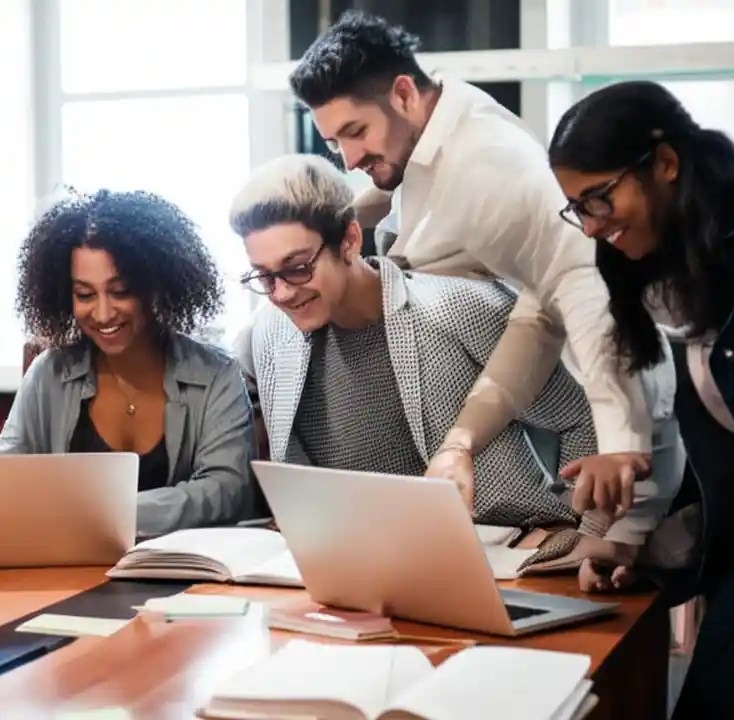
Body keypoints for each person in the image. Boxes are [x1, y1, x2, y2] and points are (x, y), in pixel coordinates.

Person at [288, 11, 682, 579]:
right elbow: (537, 300)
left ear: (403, 93)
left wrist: (622, 455)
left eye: (355, 133)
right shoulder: (431, 130)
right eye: (334, 142)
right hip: (582, 392)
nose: (348, 157)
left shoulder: (487, 166)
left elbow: (584, 285)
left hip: (633, 425)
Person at [548, 80, 734, 718]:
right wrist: (632, 543)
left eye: (599, 199)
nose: (592, 226)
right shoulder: (667, 278)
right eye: (576, 208)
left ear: (665, 165)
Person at [230, 154, 612, 565]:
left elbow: (580, 419)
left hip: (496, 552)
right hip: (354, 559)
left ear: (350, 241)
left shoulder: (458, 309)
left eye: (299, 268)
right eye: (264, 276)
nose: (282, 293)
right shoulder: (268, 333)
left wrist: (580, 535)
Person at [0, 189, 256, 537]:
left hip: (182, 579)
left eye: (120, 291)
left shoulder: (216, 375)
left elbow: (226, 491)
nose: (102, 313)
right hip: (66, 576)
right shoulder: (48, 374)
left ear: (155, 287)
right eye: (85, 295)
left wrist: (98, 515)